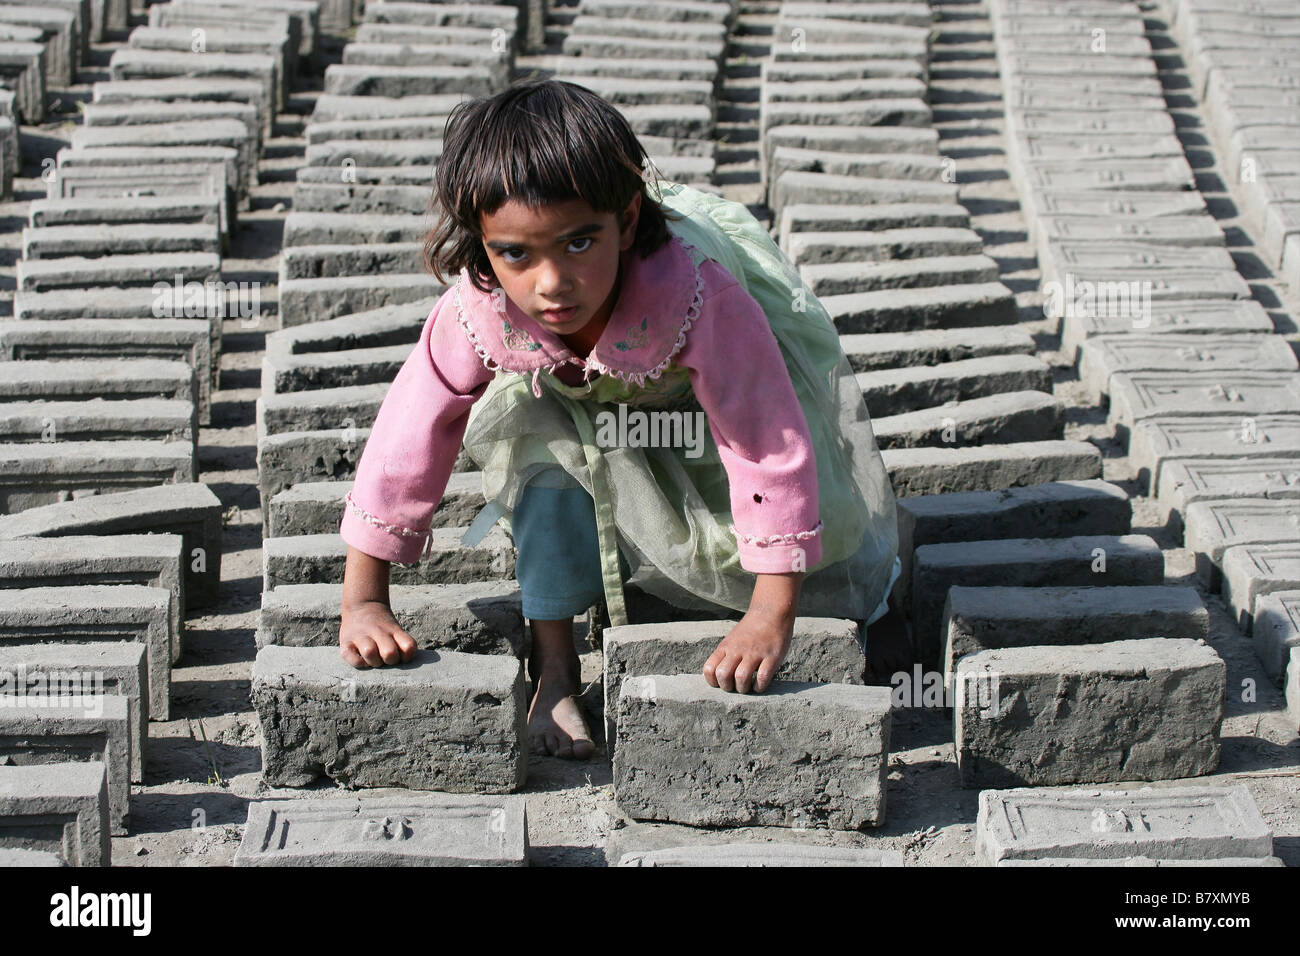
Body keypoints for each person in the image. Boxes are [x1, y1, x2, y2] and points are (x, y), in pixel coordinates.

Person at [337, 78, 900, 760]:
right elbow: (410, 431)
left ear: (627, 221)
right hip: (573, 398)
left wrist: (770, 612)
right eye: (516, 252)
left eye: (578, 244)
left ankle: (727, 581)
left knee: (732, 520)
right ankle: (554, 666)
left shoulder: (694, 293)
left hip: (695, 404)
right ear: (483, 246)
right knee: (544, 471)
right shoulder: (482, 307)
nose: (551, 283)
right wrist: (364, 597)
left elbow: (763, 442)